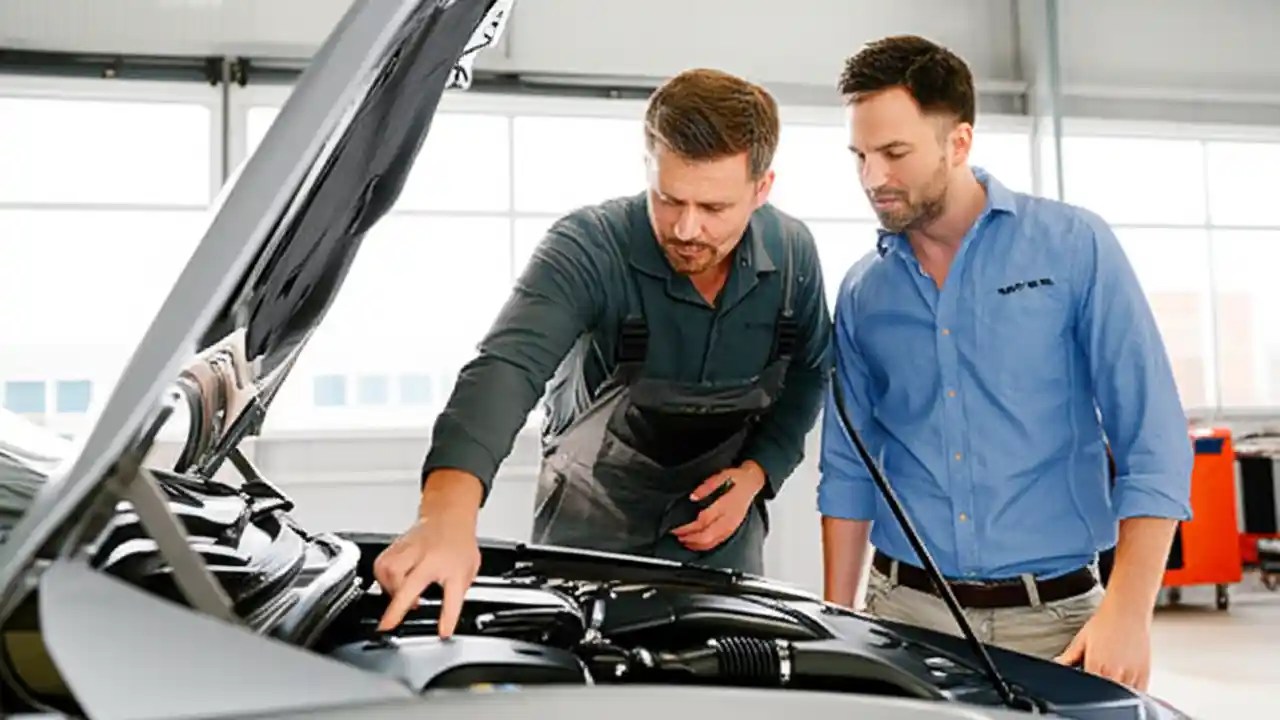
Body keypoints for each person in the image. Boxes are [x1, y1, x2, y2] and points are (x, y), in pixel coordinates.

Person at [376, 68, 832, 638]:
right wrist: (444, 515)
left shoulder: (793, 257)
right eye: (668, 199)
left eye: (714, 208)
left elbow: (811, 371)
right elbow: (506, 369)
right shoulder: (588, 245)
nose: (687, 228)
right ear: (648, 168)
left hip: (719, 536)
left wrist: (758, 474)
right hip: (587, 535)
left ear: (761, 189)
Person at [817, 35, 1192, 692]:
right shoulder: (861, 291)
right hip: (904, 615)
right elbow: (848, 468)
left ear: (958, 143)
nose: (873, 177)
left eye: (895, 153)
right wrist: (836, 618)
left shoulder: (1074, 247)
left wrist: (1129, 612)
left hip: (1059, 624)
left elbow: (1152, 438)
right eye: (861, 156)